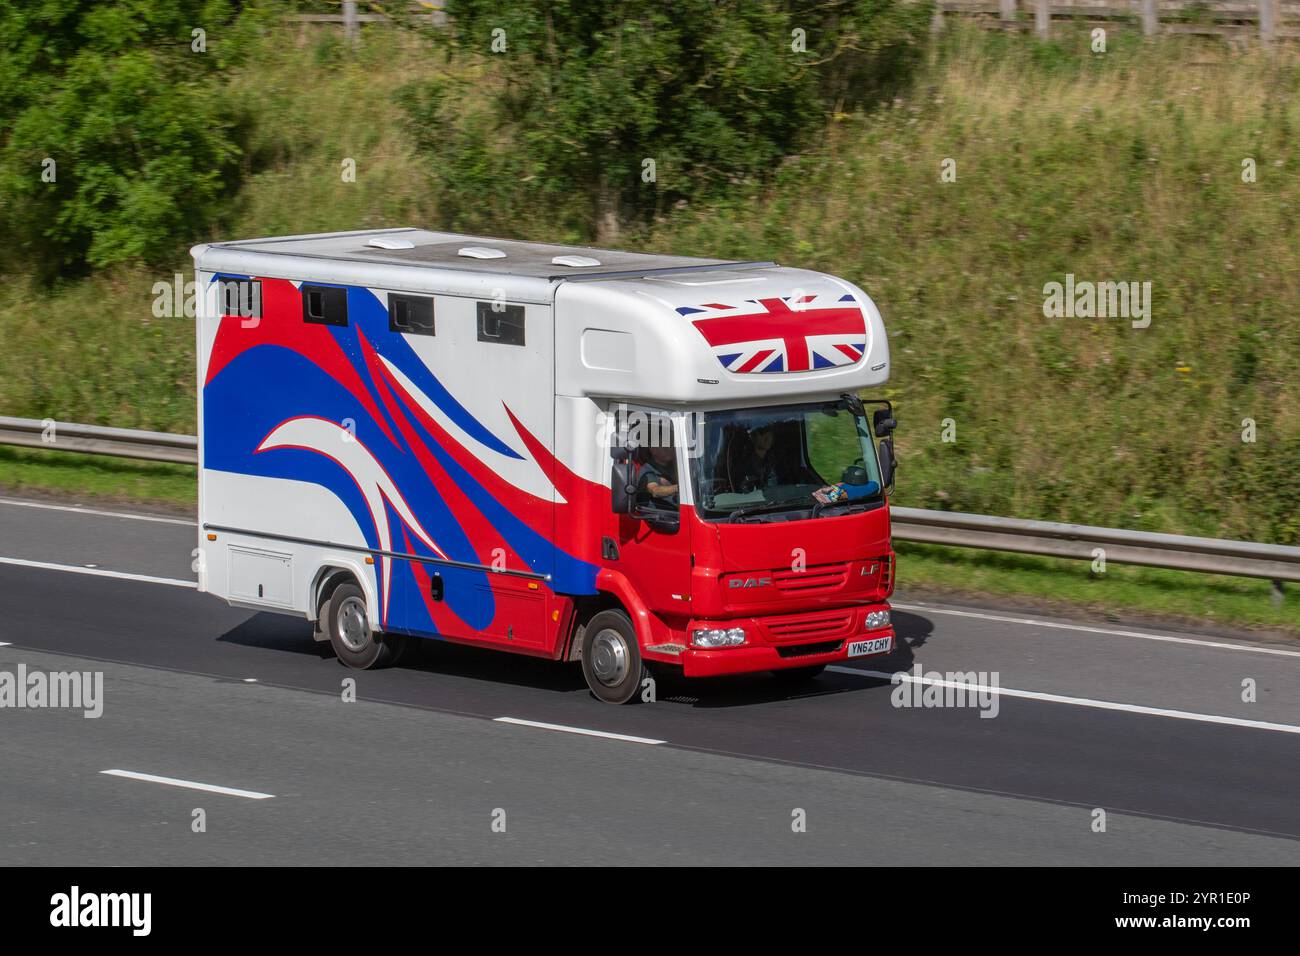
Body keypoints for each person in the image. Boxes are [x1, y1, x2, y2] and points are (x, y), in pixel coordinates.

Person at [636, 444, 679, 510]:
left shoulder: (673, 467)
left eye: (671, 446)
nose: (670, 449)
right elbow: (655, 491)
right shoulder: (648, 470)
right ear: (653, 450)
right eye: (666, 447)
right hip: (660, 517)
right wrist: (678, 488)